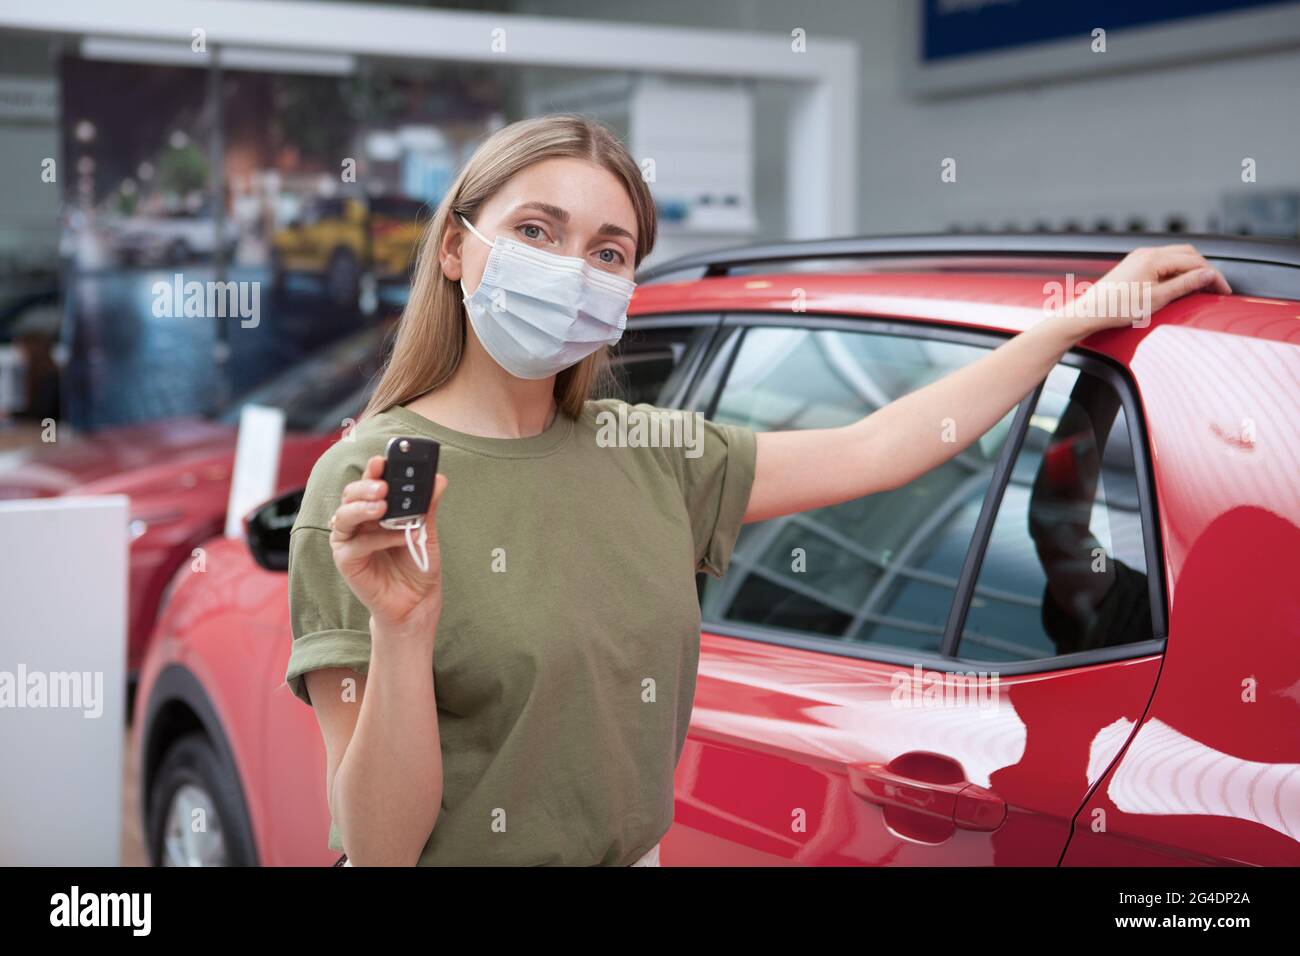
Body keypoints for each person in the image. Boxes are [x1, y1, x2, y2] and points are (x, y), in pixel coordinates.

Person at [284, 113, 1230, 866]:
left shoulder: (649, 450)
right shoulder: (364, 490)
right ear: (455, 249)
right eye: (536, 231)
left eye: (609, 253)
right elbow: (380, 849)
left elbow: (882, 444)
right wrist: (401, 634)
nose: (572, 270)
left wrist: (1077, 317)